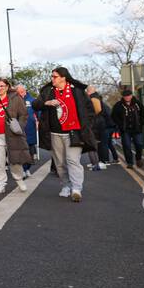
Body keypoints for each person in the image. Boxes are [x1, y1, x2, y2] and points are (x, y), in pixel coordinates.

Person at [32, 66, 96, 202]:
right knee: (60, 163)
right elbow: (35, 105)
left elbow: (90, 110)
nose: (52, 79)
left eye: (54, 77)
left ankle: (77, 189)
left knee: (73, 160)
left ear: (63, 78)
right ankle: (66, 185)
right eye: (52, 76)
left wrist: (86, 126)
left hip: (74, 133)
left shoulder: (77, 91)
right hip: (55, 134)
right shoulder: (48, 91)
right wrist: (46, 103)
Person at [110, 88, 144, 168]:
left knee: (139, 144)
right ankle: (130, 162)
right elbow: (114, 116)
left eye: (128, 96)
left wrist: (140, 124)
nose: (127, 97)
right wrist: (120, 124)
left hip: (137, 129)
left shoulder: (138, 104)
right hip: (125, 130)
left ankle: (138, 158)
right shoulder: (118, 105)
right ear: (123, 97)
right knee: (127, 146)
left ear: (131, 95)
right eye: (125, 96)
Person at [83, 85, 112, 171]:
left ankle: (98, 163)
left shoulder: (93, 98)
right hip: (100, 124)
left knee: (93, 144)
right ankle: (99, 162)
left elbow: (97, 110)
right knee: (98, 144)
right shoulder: (97, 97)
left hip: (95, 124)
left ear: (88, 91)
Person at [16, 83, 38, 175]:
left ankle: (27, 168)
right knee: (21, 151)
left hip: (31, 130)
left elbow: (38, 112)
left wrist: (38, 121)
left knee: (30, 152)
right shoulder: (13, 100)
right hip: (19, 130)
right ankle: (23, 169)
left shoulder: (32, 100)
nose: (21, 94)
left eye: (22, 91)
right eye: (19, 92)